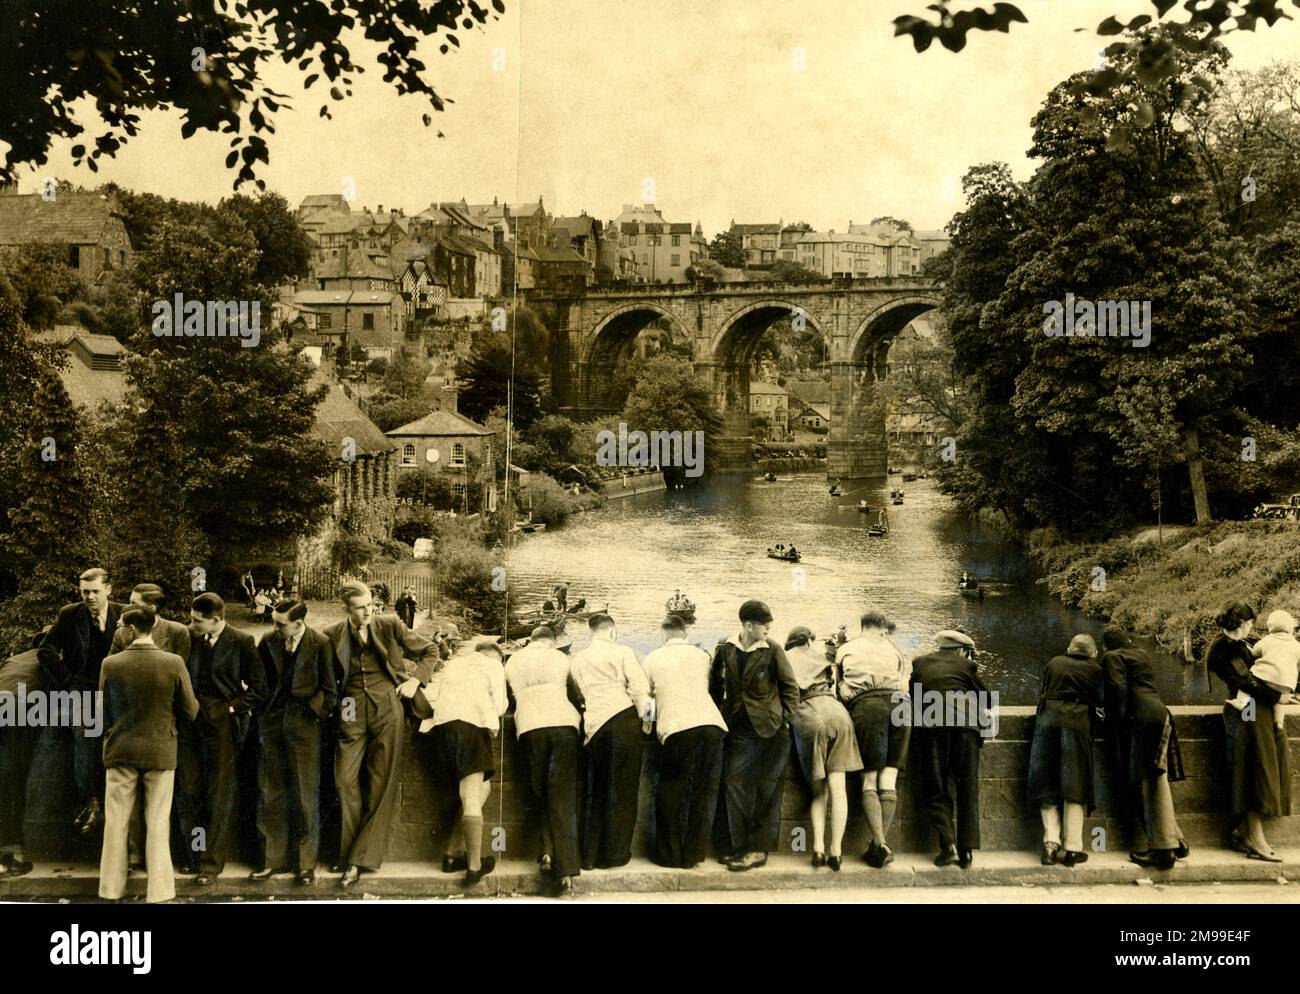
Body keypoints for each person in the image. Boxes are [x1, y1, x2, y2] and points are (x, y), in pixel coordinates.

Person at [323, 581, 439, 888]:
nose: (368, 612)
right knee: (343, 780)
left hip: (388, 705)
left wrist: (415, 682)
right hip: (350, 710)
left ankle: (357, 859)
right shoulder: (331, 634)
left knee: (380, 783)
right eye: (360, 608)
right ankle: (348, 851)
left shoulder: (389, 624)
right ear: (346, 609)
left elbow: (430, 650)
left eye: (370, 605)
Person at [98, 607, 198, 903]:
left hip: (121, 750)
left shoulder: (110, 664)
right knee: (157, 822)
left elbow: (101, 711)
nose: (119, 630)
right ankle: (161, 892)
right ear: (152, 627)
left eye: (121, 626)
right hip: (161, 750)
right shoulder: (173, 662)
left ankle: (110, 889)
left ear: (130, 629)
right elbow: (191, 710)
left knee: (116, 822)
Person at [402, 636, 508, 887]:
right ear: (496, 656)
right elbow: (501, 706)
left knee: (482, 788)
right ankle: (474, 866)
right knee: (471, 795)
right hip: (470, 728)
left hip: (442, 731)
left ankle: (453, 854)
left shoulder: (455, 665)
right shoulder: (494, 665)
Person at [177, 593, 267, 885]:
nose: (192, 624)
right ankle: (193, 854)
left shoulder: (241, 641)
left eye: (197, 621)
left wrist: (231, 708)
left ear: (216, 620)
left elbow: (259, 688)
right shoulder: (191, 638)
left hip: (223, 729)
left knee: (219, 795)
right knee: (189, 789)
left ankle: (210, 864)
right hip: (189, 726)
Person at [709, 599, 800, 872]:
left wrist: (785, 720)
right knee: (734, 783)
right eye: (763, 624)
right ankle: (738, 847)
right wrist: (718, 716)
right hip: (739, 729)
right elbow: (715, 686)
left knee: (767, 789)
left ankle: (758, 850)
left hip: (772, 729)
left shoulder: (772, 649)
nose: (768, 628)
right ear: (748, 625)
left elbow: (790, 688)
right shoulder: (725, 648)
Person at [251, 600, 337, 886]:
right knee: (269, 791)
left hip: (304, 728)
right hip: (271, 725)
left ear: (299, 624)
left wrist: (310, 712)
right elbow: (258, 682)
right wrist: (263, 713)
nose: (275, 628)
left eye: (281, 624)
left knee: (305, 795)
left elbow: (330, 690)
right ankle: (271, 861)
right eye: (274, 623)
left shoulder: (320, 643)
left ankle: (305, 865)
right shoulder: (268, 641)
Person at [109, 584, 191, 872]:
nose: (126, 607)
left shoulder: (178, 633)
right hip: (130, 722)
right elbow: (111, 673)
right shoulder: (123, 633)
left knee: (165, 800)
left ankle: (167, 856)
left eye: (133, 602)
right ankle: (134, 856)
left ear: (152, 608)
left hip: (163, 724)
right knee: (131, 801)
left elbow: (183, 680)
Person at [38, 567, 125, 838]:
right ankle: (91, 801)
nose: (89, 597)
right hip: (82, 688)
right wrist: (68, 682)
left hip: (117, 689)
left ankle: (115, 807)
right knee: (85, 733)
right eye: (85, 592)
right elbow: (46, 650)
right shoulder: (69, 614)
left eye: (95, 591)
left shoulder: (124, 614)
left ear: (109, 589)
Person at [1206, 601, 1290, 861]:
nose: (1252, 627)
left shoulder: (1242, 643)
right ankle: (1254, 838)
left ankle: (1245, 832)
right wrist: (1278, 695)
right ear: (1240, 623)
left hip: (1255, 709)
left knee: (1263, 768)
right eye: (1250, 622)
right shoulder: (1222, 649)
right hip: (1246, 712)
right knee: (1253, 770)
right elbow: (1244, 681)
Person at [641, 615, 727, 869]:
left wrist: (648, 724)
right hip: (711, 725)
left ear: (664, 633)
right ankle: (693, 855)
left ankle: (669, 855)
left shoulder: (652, 658)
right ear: (685, 633)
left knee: (671, 790)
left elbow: (647, 699)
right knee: (703, 793)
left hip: (678, 727)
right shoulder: (702, 656)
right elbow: (713, 687)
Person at [568, 613, 653, 870]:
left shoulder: (578, 659)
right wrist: (648, 720)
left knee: (595, 790)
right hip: (623, 720)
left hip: (594, 726)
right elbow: (641, 689)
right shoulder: (622, 651)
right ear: (612, 631)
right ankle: (614, 854)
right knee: (623, 789)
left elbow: (579, 694)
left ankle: (589, 855)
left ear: (591, 631)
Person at [1101, 626, 1188, 871]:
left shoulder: (1112, 657)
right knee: (1156, 780)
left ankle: (1163, 851)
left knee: (1150, 782)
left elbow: (1118, 690)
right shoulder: (1141, 654)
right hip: (1160, 713)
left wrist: (1112, 721)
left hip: (1142, 719)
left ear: (1107, 645)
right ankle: (1177, 840)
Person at [505, 626, 583, 895]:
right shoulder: (561, 658)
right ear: (551, 641)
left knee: (539, 792)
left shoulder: (513, 661)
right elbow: (577, 695)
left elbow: (508, 700)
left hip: (531, 727)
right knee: (561, 795)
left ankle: (546, 851)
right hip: (563, 725)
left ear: (530, 640)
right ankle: (567, 869)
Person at [836, 610, 911, 867]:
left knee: (869, 779)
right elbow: (902, 682)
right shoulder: (894, 649)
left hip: (868, 708)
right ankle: (878, 846)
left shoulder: (846, 649)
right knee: (889, 778)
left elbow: (840, 689)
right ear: (883, 628)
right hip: (901, 707)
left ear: (862, 627)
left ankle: (880, 843)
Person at [785, 626, 862, 870]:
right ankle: (836, 852)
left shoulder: (785, 658)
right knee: (839, 789)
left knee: (819, 792)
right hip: (838, 714)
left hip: (810, 715)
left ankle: (818, 850)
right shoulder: (821, 658)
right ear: (808, 641)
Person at [910, 629, 988, 868]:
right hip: (966, 728)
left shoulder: (920, 663)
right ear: (962, 650)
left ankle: (948, 846)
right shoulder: (967, 666)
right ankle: (967, 852)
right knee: (967, 787)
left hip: (932, 727)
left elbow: (913, 697)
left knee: (936, 786)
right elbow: (986, 699)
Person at [1028, 634, 1103, 867]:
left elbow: (1044, 689)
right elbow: (1100, 700)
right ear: (1092, 653)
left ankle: (1050, 846)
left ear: (1070, 649)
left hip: (1048, 723)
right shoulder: (1095, 669)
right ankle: (1073, 849)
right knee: (1075, 786)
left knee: (1047, 782)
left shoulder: (1055, 663)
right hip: (1077, 725)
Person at [0, 629, 46, 878]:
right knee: (13, 783)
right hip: (16, 714)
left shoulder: (15, 659)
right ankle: (10, 857)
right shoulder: (52, 660)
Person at [1240, 610, 1300, 730]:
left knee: (1247, 687)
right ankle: (1279, 723)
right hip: (1286, 684)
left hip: (1266, 678)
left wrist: (1249, 649)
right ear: (1290, 628)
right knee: (1279, 701)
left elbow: (1255, 652)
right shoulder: (1296, 645)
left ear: (1270, 627)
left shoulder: (1267, 640)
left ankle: (1246, 713)